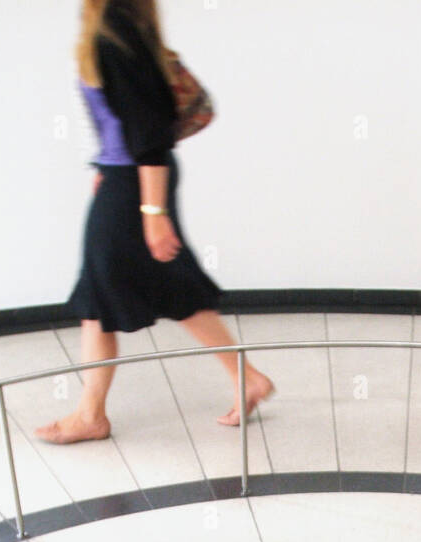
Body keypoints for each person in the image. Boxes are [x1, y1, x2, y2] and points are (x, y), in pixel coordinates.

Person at [37, 0, 273, 444]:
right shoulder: (118, 27)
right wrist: (105, 168)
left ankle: (92, 415)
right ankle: (247, 378)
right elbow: (125, 119)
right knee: (139, 288)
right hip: (126, 177)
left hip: (138, 184)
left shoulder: (114, 30)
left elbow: (148, 129)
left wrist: (152, 212)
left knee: (109, 293)